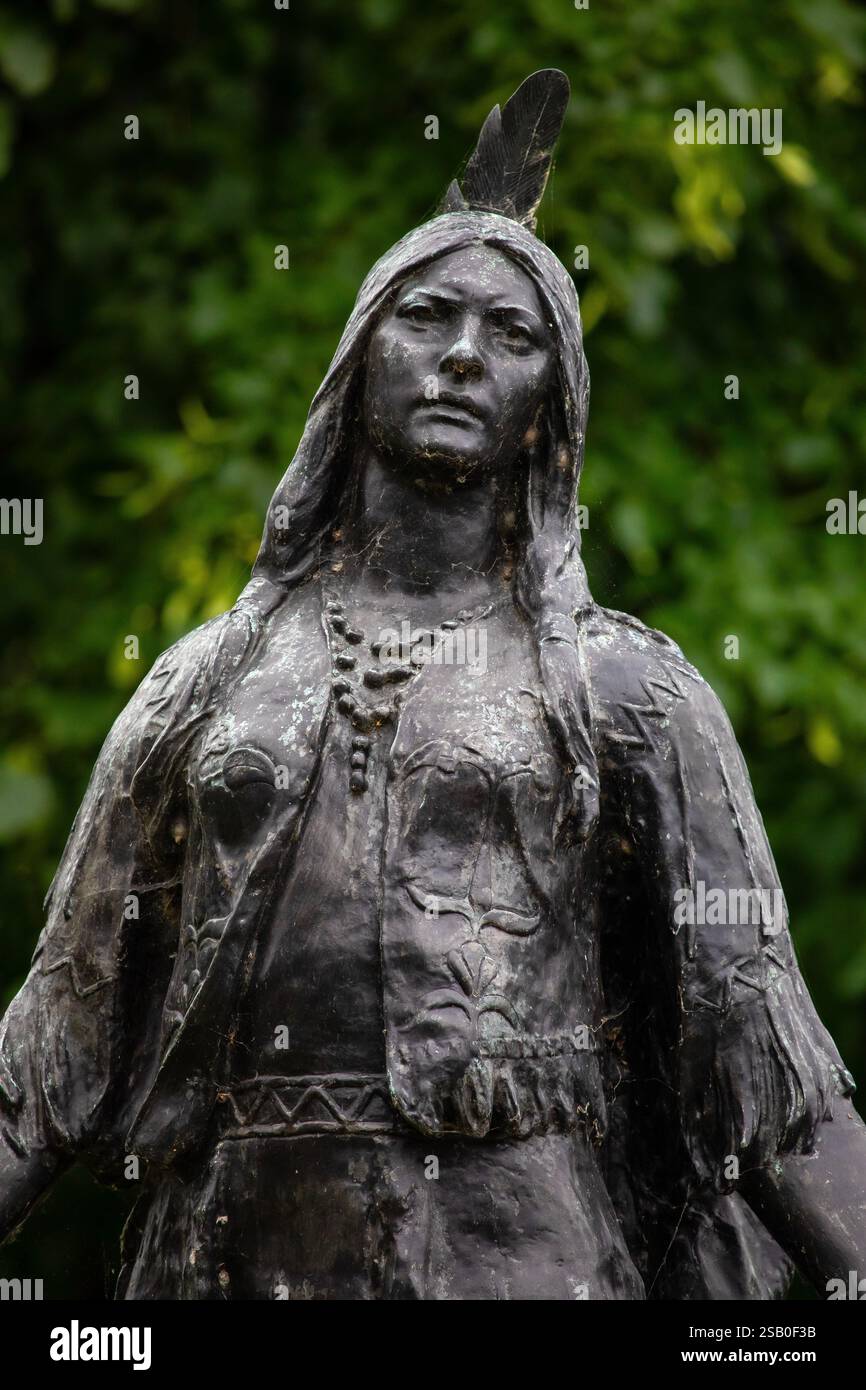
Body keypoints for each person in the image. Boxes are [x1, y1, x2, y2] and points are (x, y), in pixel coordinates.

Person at [1, 71, 864, 1300]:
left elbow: (772, 1085)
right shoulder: (207, 682)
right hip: (228, 1259)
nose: (462, 354)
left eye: (510, 335)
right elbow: (49, 1062)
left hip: (520, 1260)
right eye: (426, 317)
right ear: (358, 360)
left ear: (545, 411)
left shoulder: (626, 690)